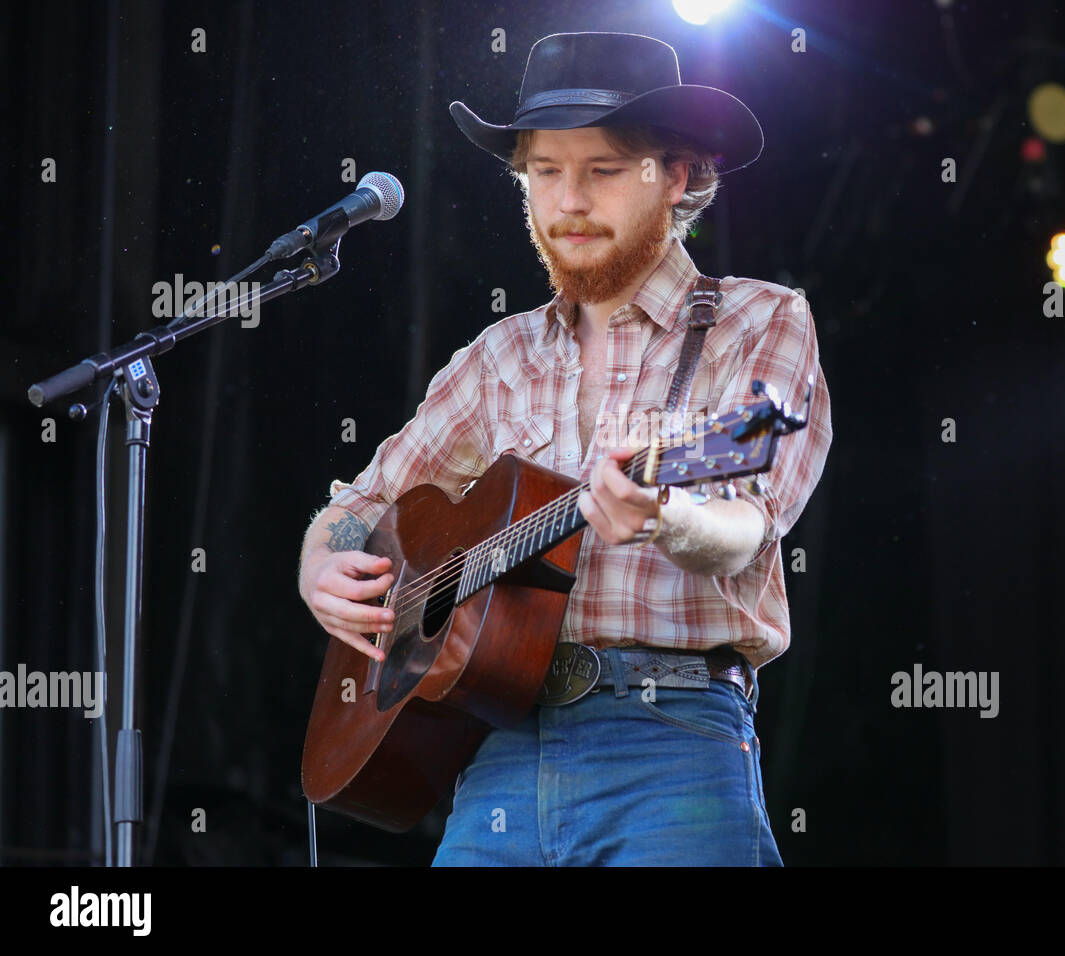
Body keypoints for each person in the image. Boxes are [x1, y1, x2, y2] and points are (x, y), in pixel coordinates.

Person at [297, 32, 832, 866]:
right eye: (545, 171)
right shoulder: (497, 356)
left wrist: (665, 513)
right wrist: (321, 566)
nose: (569, 200)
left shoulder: (759, 321)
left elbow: (748, 528)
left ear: (680, 173)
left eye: (605, 170)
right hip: (498, 754)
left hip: (673, 745)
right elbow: (359, 506)